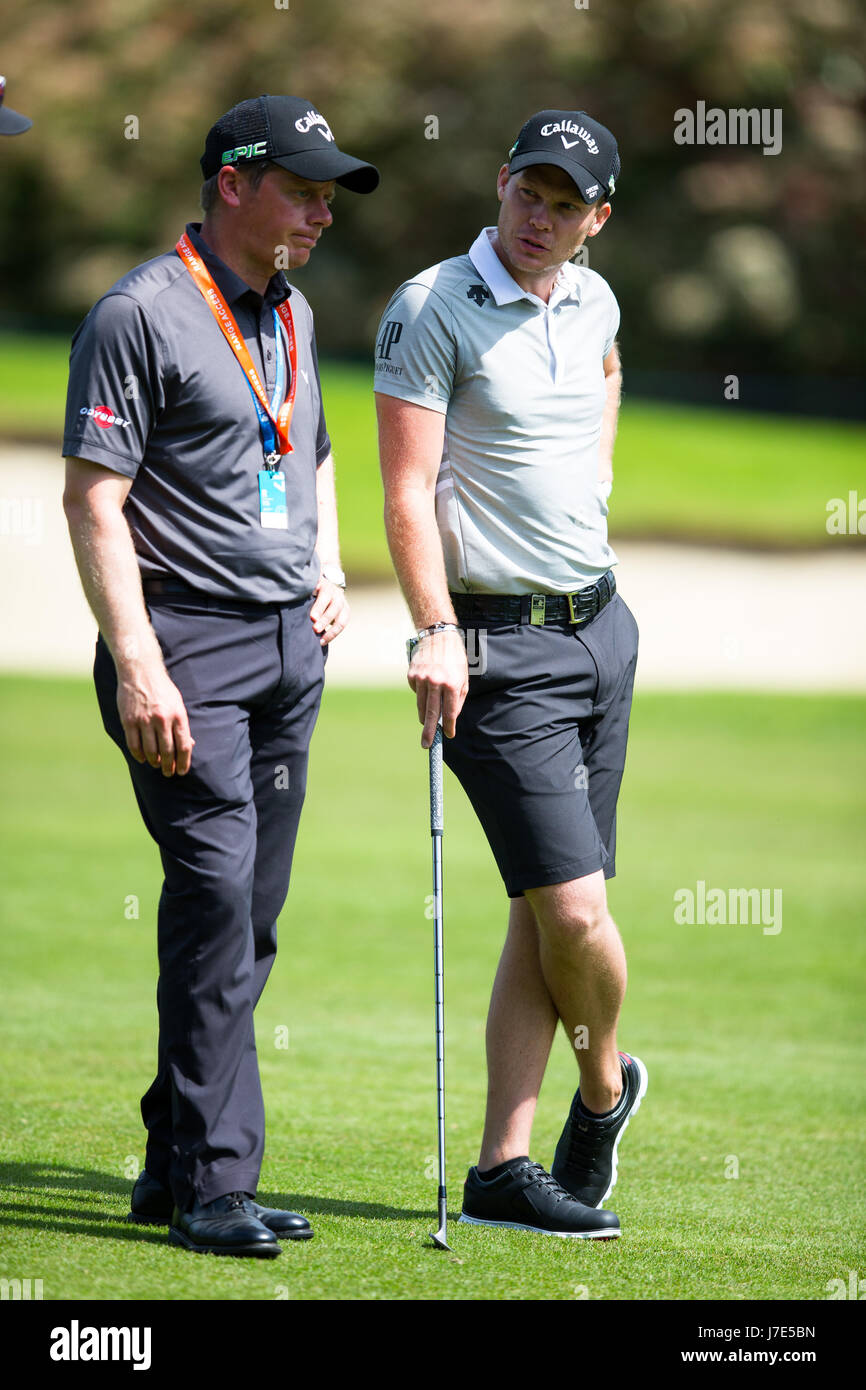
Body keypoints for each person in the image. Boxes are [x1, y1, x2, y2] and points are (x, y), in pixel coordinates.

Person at [63, 94, 378, 1258]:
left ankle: (171, 1160)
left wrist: (330, 563)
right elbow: (94, 500)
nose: (321, 213)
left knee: (248, 920)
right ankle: (215, 1182)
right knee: (214, 906)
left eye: (329, 194)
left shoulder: (288, 304)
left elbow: (314, 447)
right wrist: (139, 665)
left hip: (290, 646)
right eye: (303, 189)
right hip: (184, 649)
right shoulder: (137, 313)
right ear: (233, 183)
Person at [376, 109, 646, 1239]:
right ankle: (604, 1089)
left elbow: (606, 374)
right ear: (499, 187)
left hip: (602, 631)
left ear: (597, 218)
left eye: (563, 203)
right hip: (494, 647)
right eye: (525, 194)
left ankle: (500, 1168)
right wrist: (433, 626)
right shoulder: (430, 305)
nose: (539, 219)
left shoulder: (594, 298)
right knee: (575, 913)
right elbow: (402, 491)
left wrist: (593, 488)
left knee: (543, 903)